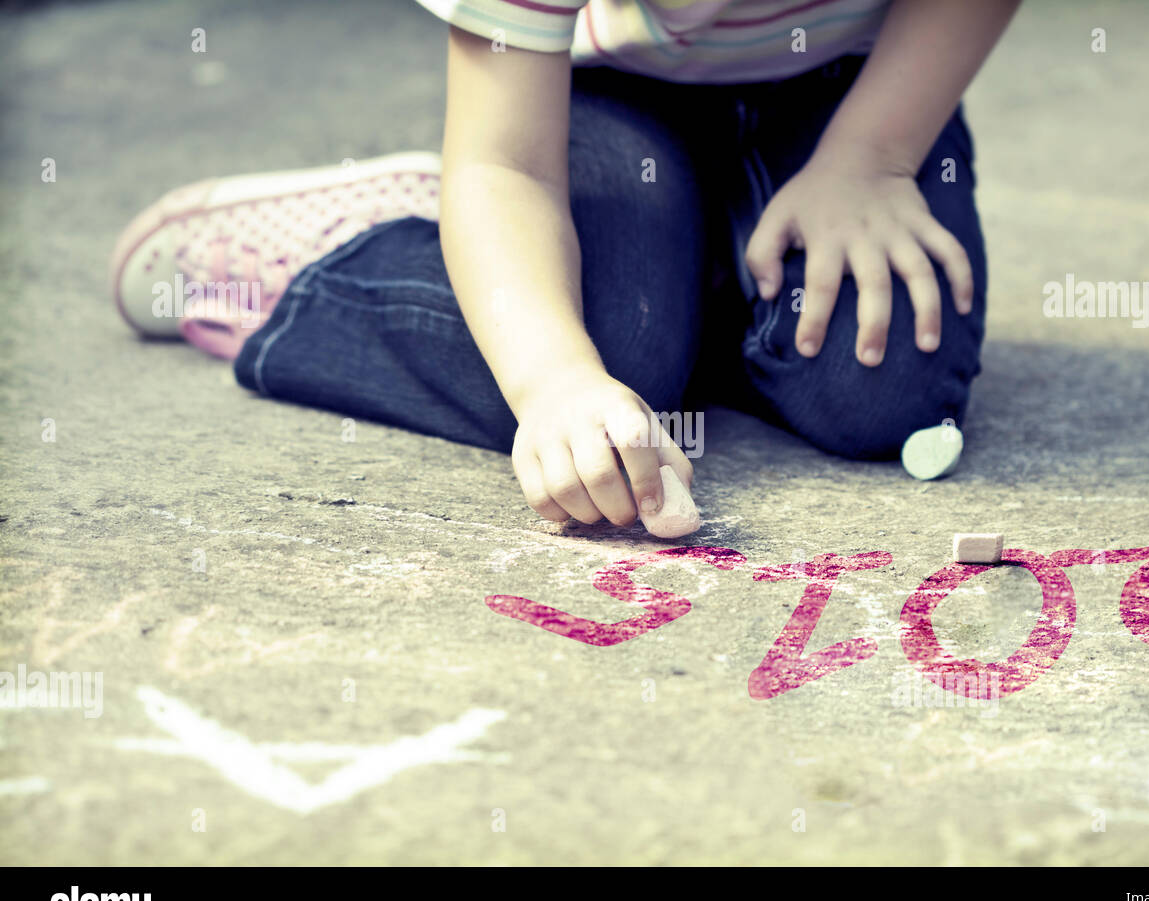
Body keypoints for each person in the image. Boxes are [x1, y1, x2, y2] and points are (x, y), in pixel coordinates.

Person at [110, 0, 1020, 528]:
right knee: (609, 364)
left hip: (852, 87)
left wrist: (872, 159)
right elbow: (504, 164)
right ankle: (339, 268)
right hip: (601, 98)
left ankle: (681, 270)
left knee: (875, 387)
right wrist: (554, 380)